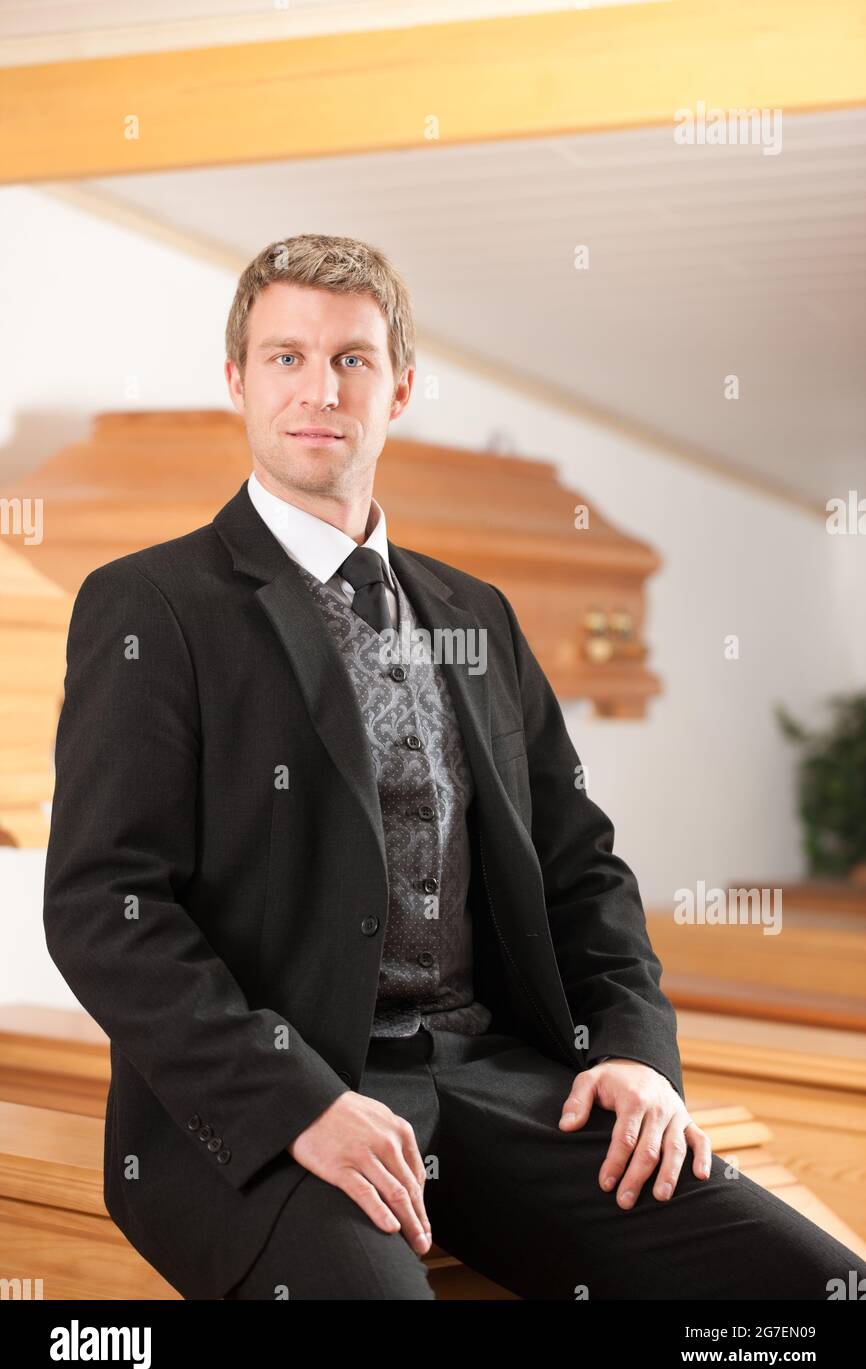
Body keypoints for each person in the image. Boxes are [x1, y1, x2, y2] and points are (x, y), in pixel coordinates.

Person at [43, 233, 866, 1301]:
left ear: (399, 389)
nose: (318, 388)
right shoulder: (152, 604)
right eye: (285, 357)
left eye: (351, 359)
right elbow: (107, 905)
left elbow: (582, 869)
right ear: (237, 381)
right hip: (269, 1110)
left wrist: (631, 1052)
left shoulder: (475, 613)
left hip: (500, 1082)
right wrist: (297, 1101)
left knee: (815, 1293)